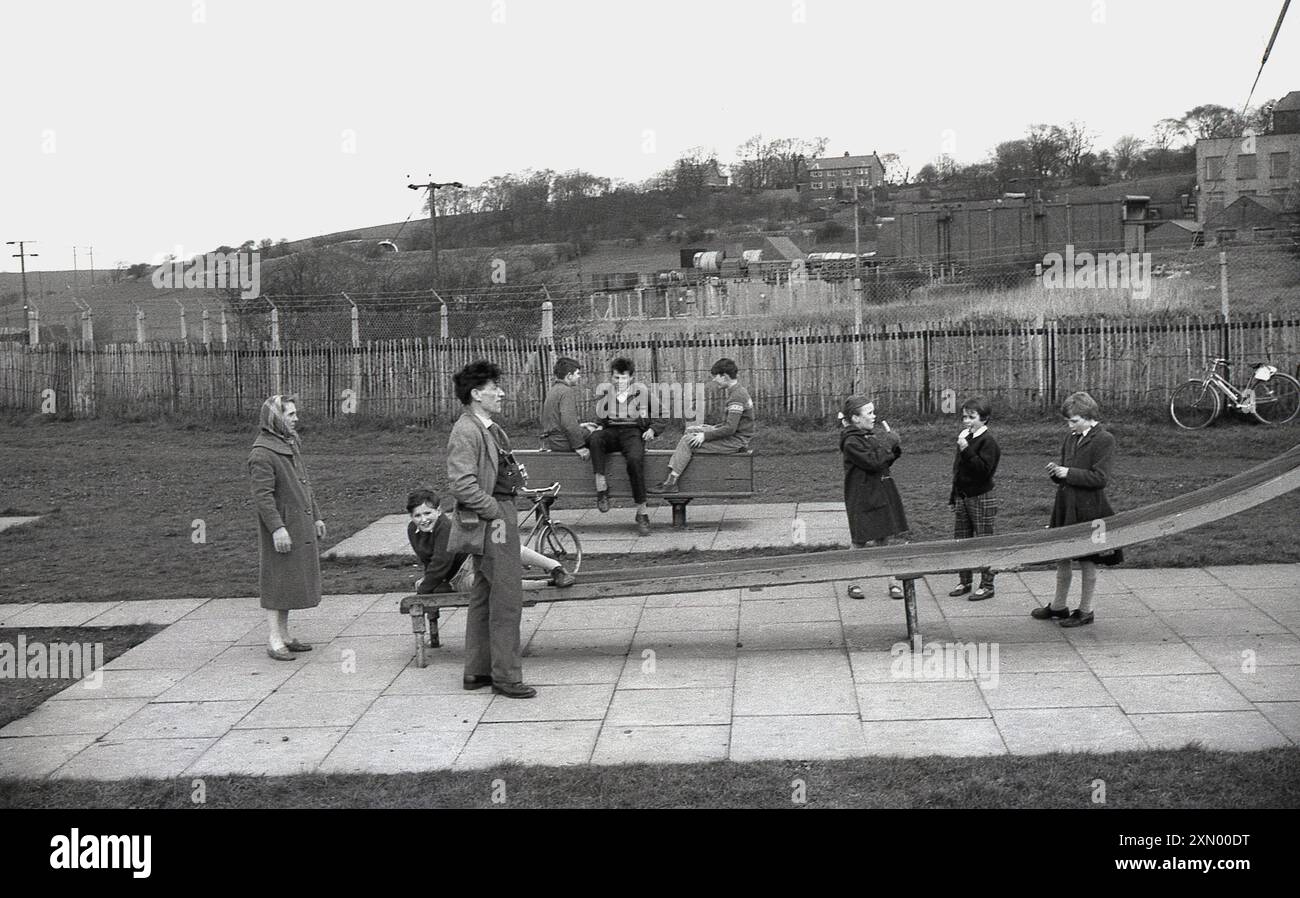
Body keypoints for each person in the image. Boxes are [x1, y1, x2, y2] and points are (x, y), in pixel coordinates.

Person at [446, 360, 535, 698]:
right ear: (475, 394)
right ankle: (507, 677)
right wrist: (496, 511)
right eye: (494, 387)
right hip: (493, 521)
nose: (501, 392)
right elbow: (462, 484)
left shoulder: (488, 428)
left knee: (484, 595)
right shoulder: (466, 431)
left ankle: (477, 671)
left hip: (497, 517)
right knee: (507, 598)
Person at [1032, 391, 1122, 628]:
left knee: (1087, 560)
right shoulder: (1071, 437)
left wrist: (1068, 473)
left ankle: (1085, 610)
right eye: (1068, 421)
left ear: (1089, 416)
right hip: (1065, 505)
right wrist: (1057, 473)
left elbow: (1100, 478)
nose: (1070, 425)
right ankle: (1058, 606)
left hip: (1090, 509)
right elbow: (1067, 473)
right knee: (1061, 556)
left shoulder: (1105, 439)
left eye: (1074, 420)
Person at [247, 394, 326, 661]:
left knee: (290, 579)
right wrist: (277, 528)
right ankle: (274, 638)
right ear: (276, 419)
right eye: (290, 414)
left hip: (299, 523)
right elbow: (263, 497)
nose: (296, 418)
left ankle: (285, 634)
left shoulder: (289, 445)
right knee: (277, 580)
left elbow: (305, 485)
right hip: (283, 526)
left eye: (294, 413)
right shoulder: (262, 453)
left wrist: (316, 516)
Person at [407, 489, 575, 592]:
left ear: (438, 511)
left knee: (505, 546)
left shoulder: (444, 527)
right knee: (492, 585)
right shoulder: (412, 530)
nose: (423, 520)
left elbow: (441, 561)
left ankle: (554, 567)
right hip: (457, 578)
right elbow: (429, 562)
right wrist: (434, 584)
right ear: (411, 517)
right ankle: (545, 585)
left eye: (427, 513)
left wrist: (425, 588)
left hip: (470, 559)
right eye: (417, 515)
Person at [837, 395, 909, 601]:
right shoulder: (851, 441)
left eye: (873, 411)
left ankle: (892, 582)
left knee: (883, 538)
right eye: (869, 412)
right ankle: (853, 582)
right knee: (859, 541)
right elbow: (873, 462)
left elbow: (884, 462)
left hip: (880, 493)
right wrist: (887, 446)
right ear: (856, 418)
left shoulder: (869, 436)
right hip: (862, 497)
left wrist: (894, 448)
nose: (874, 416)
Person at [650, 358, 753, 494]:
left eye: (716, 377)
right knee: (691, 430)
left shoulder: (737, 396)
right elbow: (733, 423)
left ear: (724, 376)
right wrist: (710, 428)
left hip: (736, 440)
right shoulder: (739, 391)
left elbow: (730, 429)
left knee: (687, 441)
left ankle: (671, 482)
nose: (715, 381)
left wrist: (705, 435)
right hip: (737, 436)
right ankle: (678, 468)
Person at [588, 357, 661, 536]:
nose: (619, 381)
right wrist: (597, 426)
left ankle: (642, 513)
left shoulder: (642, 393)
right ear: (612, 378)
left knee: (635, 461)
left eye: (623, 377)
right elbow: (601, 419)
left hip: (632, 433)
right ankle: (601, 487)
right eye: (616, 377)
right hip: (612, 431)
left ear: (631, 378)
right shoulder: (607, 394)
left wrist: (652, 429)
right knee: (595, 438)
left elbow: (661, 415)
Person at [947, 396, 1002, 601]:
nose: (967, 421)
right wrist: (954, 496)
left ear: (984, 419)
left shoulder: (988, 442)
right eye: (964, 417)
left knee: (985, 540)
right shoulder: (965, 436)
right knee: (962, 540)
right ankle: (965, 580)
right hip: (963, 496)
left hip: (981, 496)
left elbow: (983, 471)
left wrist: (966, 450)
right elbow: (958, 470)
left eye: (972, 417)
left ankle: (987, 585)